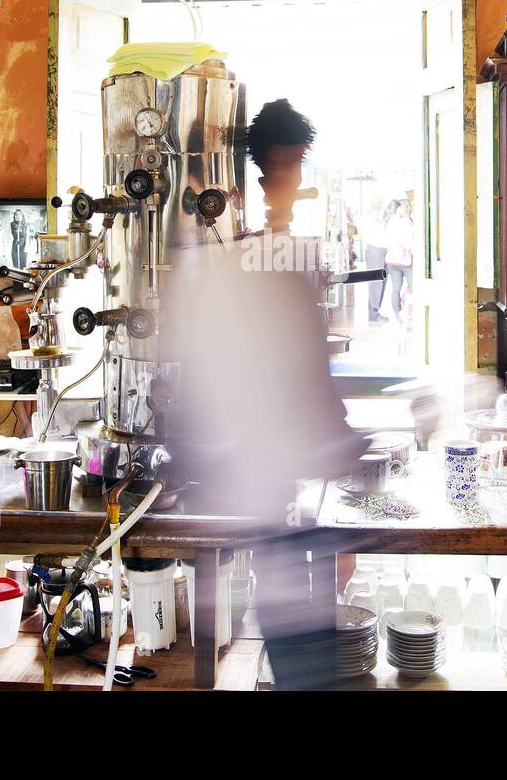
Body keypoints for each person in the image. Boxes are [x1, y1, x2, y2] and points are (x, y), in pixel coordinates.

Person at [165, 98, 365, 690]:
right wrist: (343, 455)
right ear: (270, 171)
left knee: (289, 631)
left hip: (267, 486)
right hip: (269, 483)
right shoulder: (262, 259)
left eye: (297, 166)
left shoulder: (261, 256)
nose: (293, 179)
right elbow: (300, 376)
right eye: (290, 165)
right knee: (299, 641)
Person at [384, 198, 414, 325]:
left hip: (393, 260)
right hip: (406, 260)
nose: (405, 209)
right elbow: (411, 239)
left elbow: (388, 239)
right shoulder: (409, 222)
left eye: (407, 207)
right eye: (404, 207)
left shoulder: (391, 222)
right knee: (413, 286)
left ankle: (398, 315)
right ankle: (408, 313)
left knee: (396, 288)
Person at [360, 195, 389, 324]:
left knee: (382, 282)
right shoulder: (367, 216)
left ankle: (376, 311)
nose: (380, 203)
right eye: (378, 200)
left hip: (385, 250)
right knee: (376, 283)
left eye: (381, 200)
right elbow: (369, 233)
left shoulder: (384, 214)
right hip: (374, 249)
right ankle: (373, 313)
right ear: (372, 203)